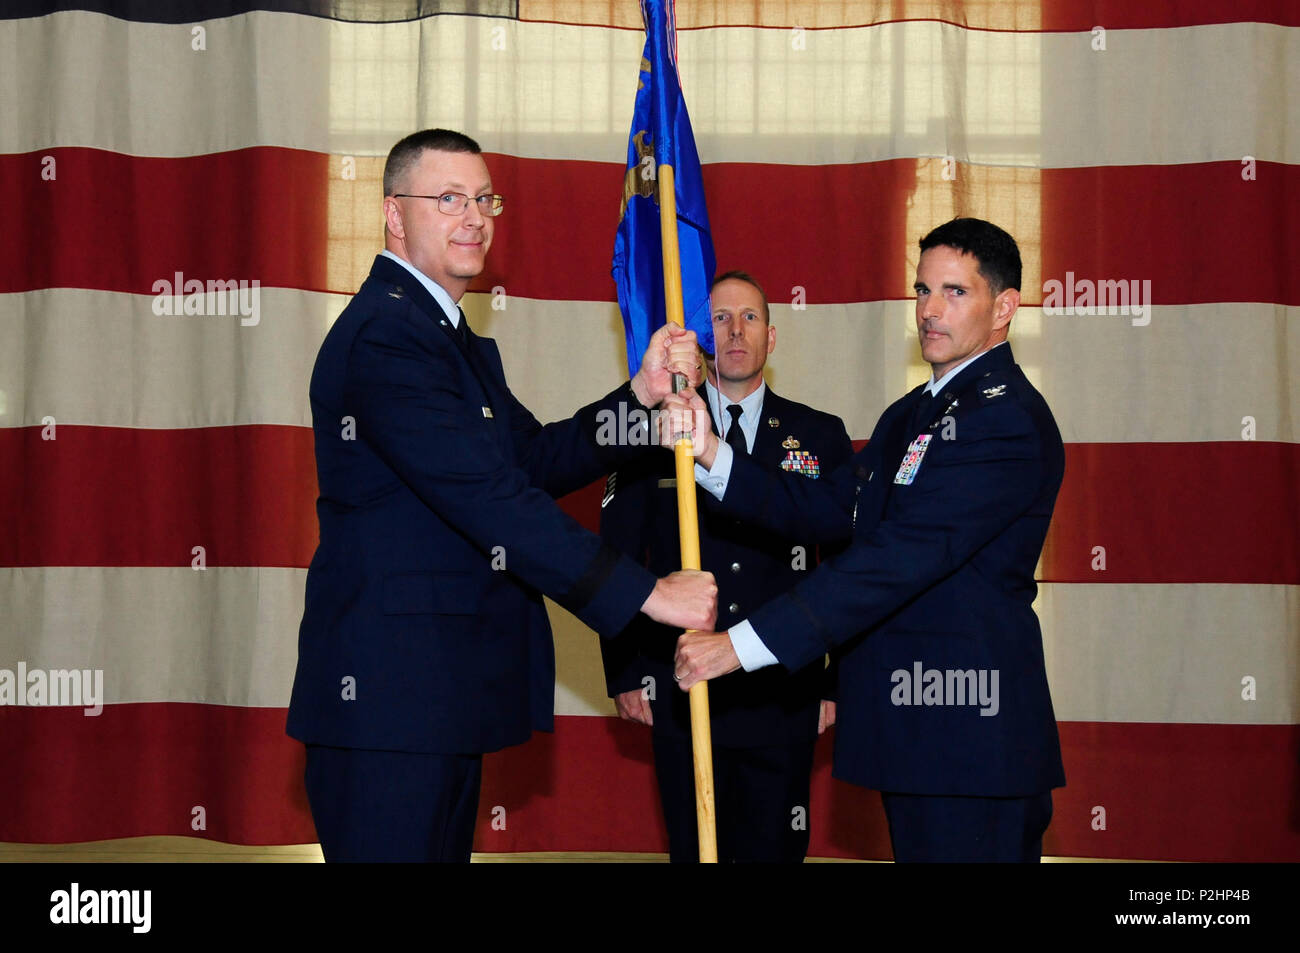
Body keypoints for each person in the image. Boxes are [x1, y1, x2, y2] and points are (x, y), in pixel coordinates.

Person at [285, 128, 717, 862]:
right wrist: (648, 595)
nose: (475, 218)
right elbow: (492, 501)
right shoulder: (388, 337)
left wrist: (641, 398)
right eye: (448, 198)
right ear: (394, 215)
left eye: (484, 199)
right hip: (388, 707)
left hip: (436, 702)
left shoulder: (442, 335)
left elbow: (534, 458)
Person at [665, 218, 1066, 862]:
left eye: (955, 293)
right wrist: (712, 454)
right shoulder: (912, 413)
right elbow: (830, 509)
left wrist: (740, 646)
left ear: (1005, 308)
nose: (930, 311)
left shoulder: (1005, 420)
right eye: (922, 289)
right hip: (914, 735)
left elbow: (894, 561)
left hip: (970, 740)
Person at [600, 271, 853, 862]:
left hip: (782, 688)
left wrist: (835, 681)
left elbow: (847, 565)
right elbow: (617, 553)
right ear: (702, 338)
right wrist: (626, 669)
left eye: (750, 318)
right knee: (695, 849)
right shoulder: (655, 428)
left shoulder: (819, 435)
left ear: (772, 336)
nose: (736, 331)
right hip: (681, 681)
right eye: (719, 318)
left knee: (776, 849)